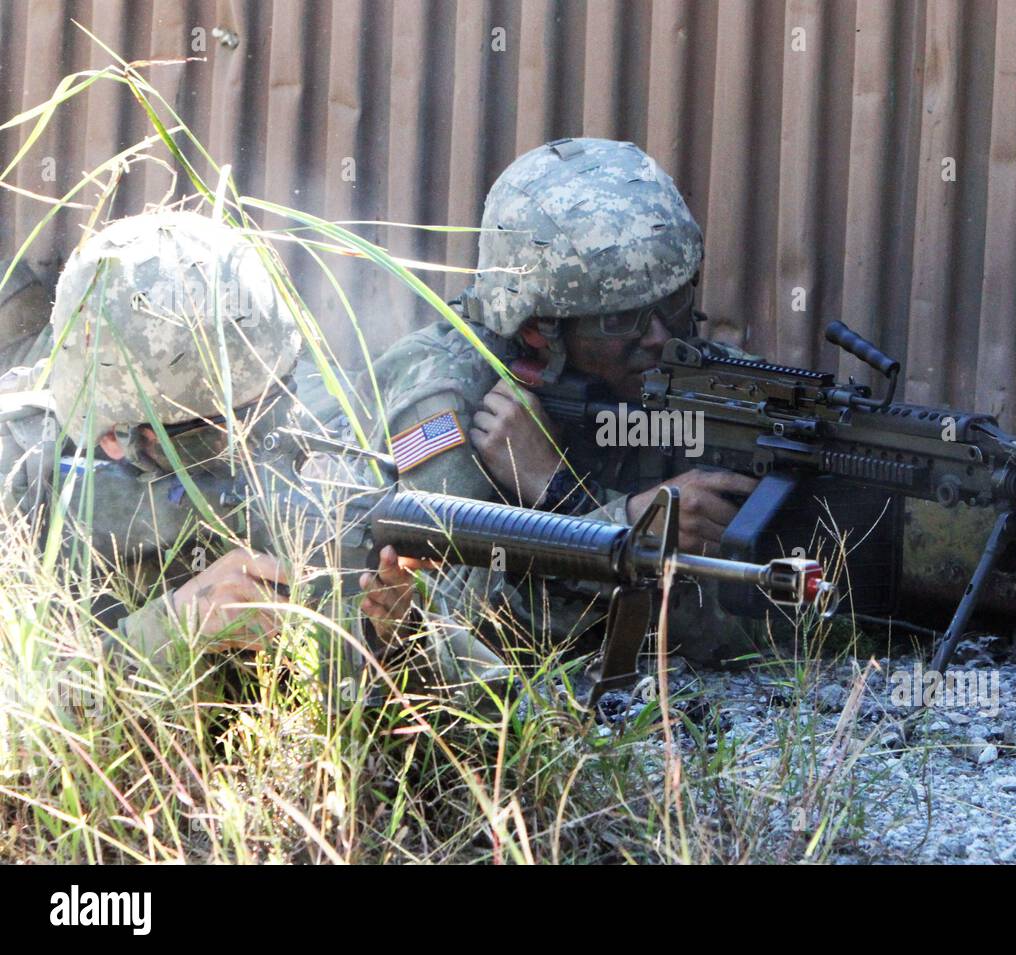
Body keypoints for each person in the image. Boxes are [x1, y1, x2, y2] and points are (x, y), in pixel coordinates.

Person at [301, 138, 769, 669]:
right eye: (618, 319)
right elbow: (457, 629)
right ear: (537, 328)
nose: (659, 336)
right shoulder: (448, 392)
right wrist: (577, 502)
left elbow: (755, 630)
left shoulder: (701, 382)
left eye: (674, 300)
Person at [0, 210, 454, 686]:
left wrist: (400, 638)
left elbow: (490, 722)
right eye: (215, 433)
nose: (252, 447)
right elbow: (20, 729)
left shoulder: (329, 463)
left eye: (271, 409)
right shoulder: (21, 481)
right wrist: (166, 632)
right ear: (113, 435)